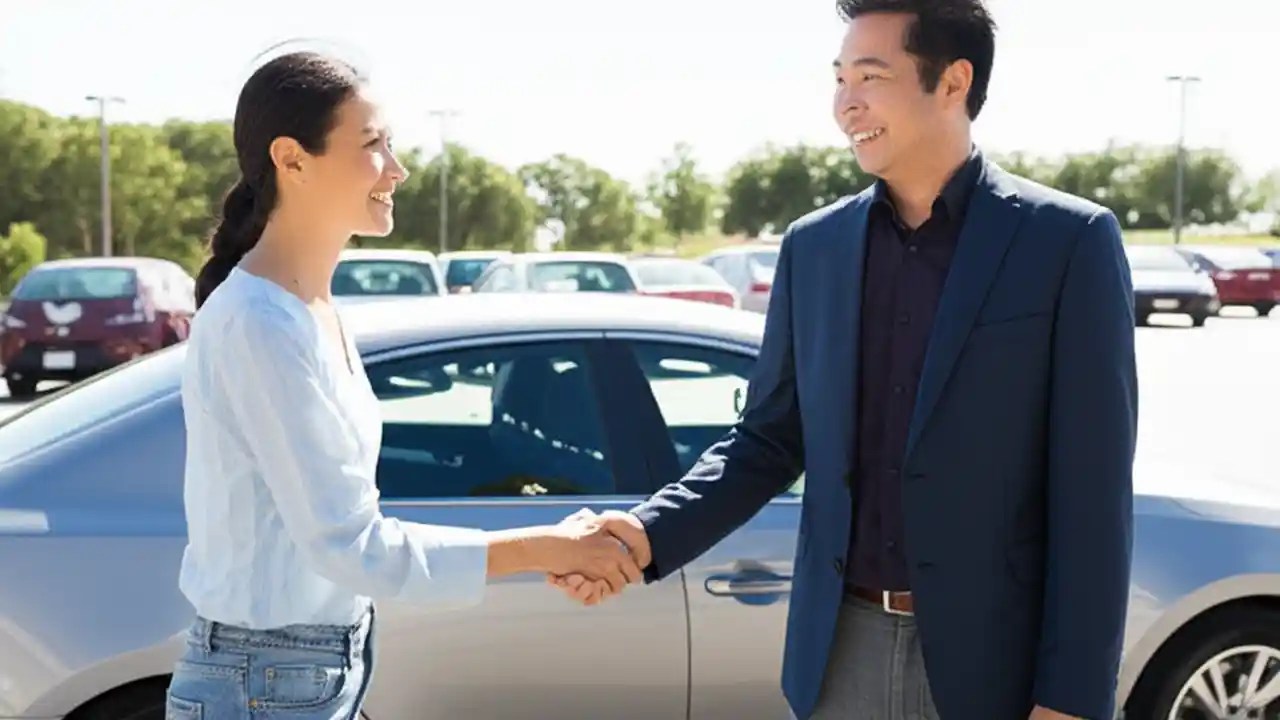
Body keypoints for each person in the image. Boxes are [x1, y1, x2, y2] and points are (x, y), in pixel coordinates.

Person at [553, 1, 1138, 718]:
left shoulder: (1068, 242)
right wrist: (645, 535)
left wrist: (1071, 700)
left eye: (870, 76)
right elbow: (768, 440)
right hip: (838, 654)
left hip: (995, 666)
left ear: (953, 82)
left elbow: (1093, 495)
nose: (846, 104)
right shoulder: (815, 247)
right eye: (838, 79)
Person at [167, 51, 647, 720]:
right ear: (292, 159)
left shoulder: (308, 309)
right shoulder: (259, 322)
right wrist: (546, 548)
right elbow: (351, 546)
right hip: (264, 683)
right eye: (372, 144)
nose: (397, 168)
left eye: (390, 142)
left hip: (300, 674)